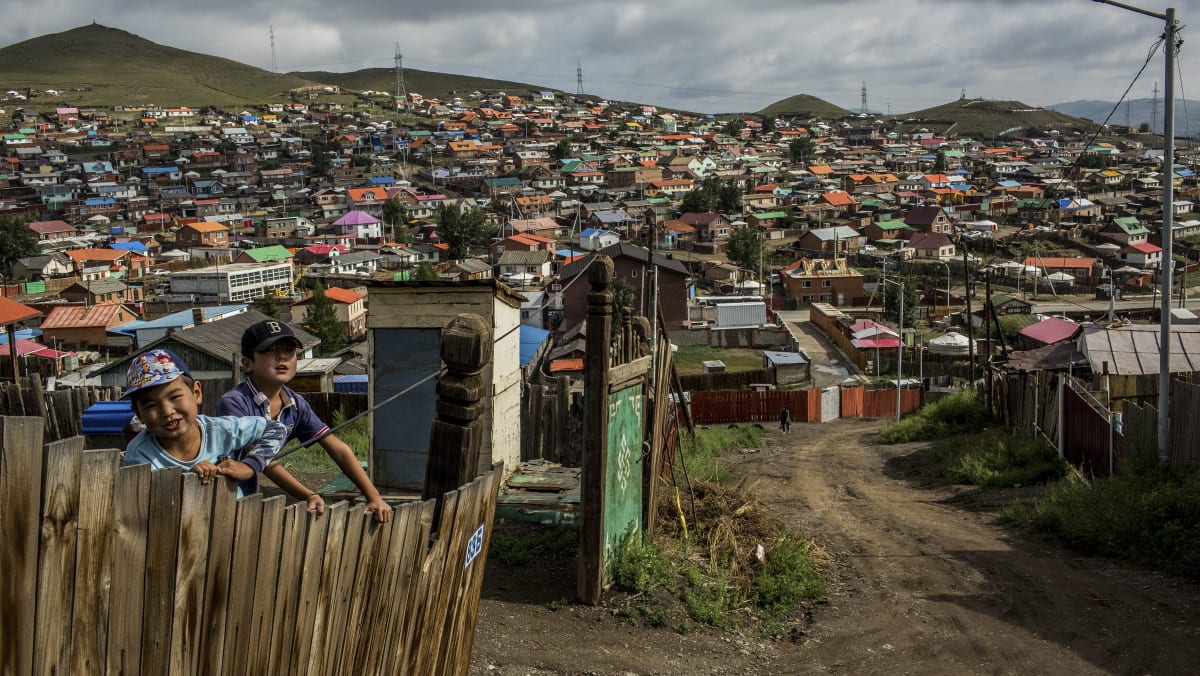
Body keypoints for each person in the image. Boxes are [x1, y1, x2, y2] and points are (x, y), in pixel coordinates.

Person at [217, 319, 393, 523]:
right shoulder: (234, 403)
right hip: (215, 493)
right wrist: (308, 495)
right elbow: (263, 460)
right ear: (247, 363)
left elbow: (338, 449)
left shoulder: (295, 404)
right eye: (269, 350)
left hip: (246, 497)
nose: (281, 356)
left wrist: (373, 497)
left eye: (288, 350)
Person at [122, 348, 287, 498]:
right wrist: (188, 483)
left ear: (196, 393)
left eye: (175, 397)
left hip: (234, 519)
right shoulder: (140, 454)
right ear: (138, 414)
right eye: (151, 405)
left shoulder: (220, 430)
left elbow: (276, 429)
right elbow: (147, 503)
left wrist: (250, 465)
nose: (167, 411)